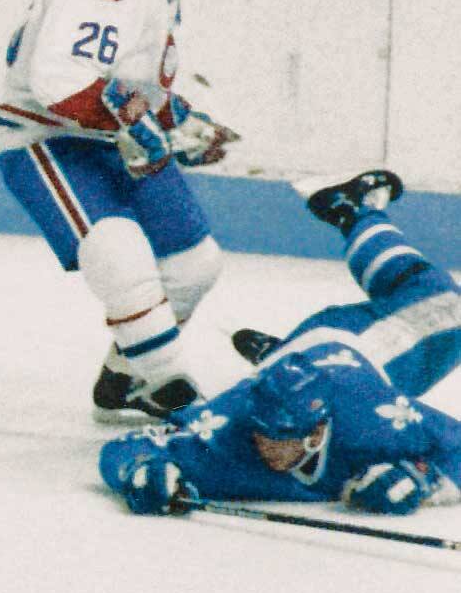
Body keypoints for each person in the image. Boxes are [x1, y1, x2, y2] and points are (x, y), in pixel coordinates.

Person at [0, 0, 237, 420]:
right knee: (118, 250)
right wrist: (129, 124)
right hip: (43, 137)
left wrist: (183, 122)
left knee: (194, 262)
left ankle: (126, 378)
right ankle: (170, 388)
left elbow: (132, 86)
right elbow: (57, 80)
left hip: (100, 137)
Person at [102, 169, 461, 517]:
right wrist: (142, 471)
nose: (268, 448)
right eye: (263, 433)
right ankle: (352, 216)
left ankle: (351, 213)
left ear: (318, 430)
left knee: (450, 309)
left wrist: (421, 478)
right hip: (324, 364)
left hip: (348, 352)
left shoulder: (373, 418)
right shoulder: (231, 424)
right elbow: (129, 448)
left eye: (284, 437)